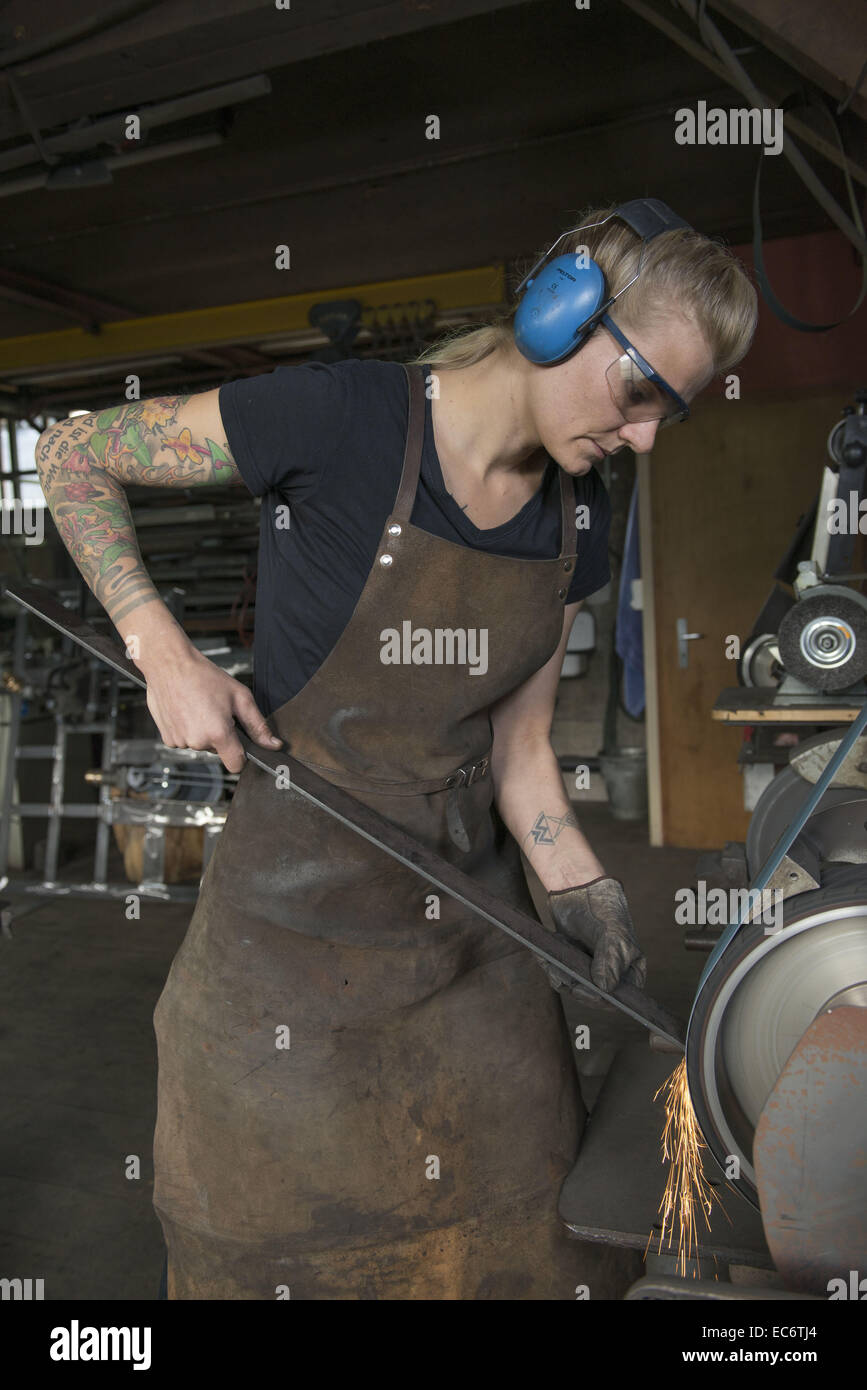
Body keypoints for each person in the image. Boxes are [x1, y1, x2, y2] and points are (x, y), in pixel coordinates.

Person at [35, 200, 757, 1300]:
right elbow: (74, 450)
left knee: (536, 1250)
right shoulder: (336, 419)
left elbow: (520, 754)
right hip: (283, 975)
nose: (648, 434)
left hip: (473, 963)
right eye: (641, 388)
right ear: (561, 313)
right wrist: (160, 646)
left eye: (676, 413)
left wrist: (588, 886)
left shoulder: (580, 517)